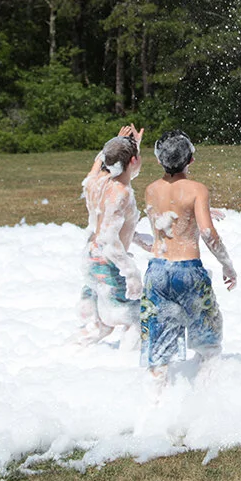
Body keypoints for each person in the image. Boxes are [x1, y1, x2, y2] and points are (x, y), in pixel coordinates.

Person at [140, 130, 237, 381]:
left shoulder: (150, 190)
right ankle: (204, 404)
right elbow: (207, 232)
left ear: (159, 160)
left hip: (157, 273)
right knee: (209, 345)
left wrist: (198, 209)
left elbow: (169, 222)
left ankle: (155, 408)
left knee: (159, 352)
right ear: (191, 160)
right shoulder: (197, 189)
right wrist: (227, 266)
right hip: (188, 273)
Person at [78, 125, 147, 346]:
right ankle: (129, 374)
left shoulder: (95, 182)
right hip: (107, 263)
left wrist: (117, 144)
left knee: (98, 328)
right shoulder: (122, 193)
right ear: (134, 162)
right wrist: (131, 273)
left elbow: (100, 165)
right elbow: (109, 238)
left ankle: (69, 355)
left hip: (89, 259)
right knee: (140, 320)